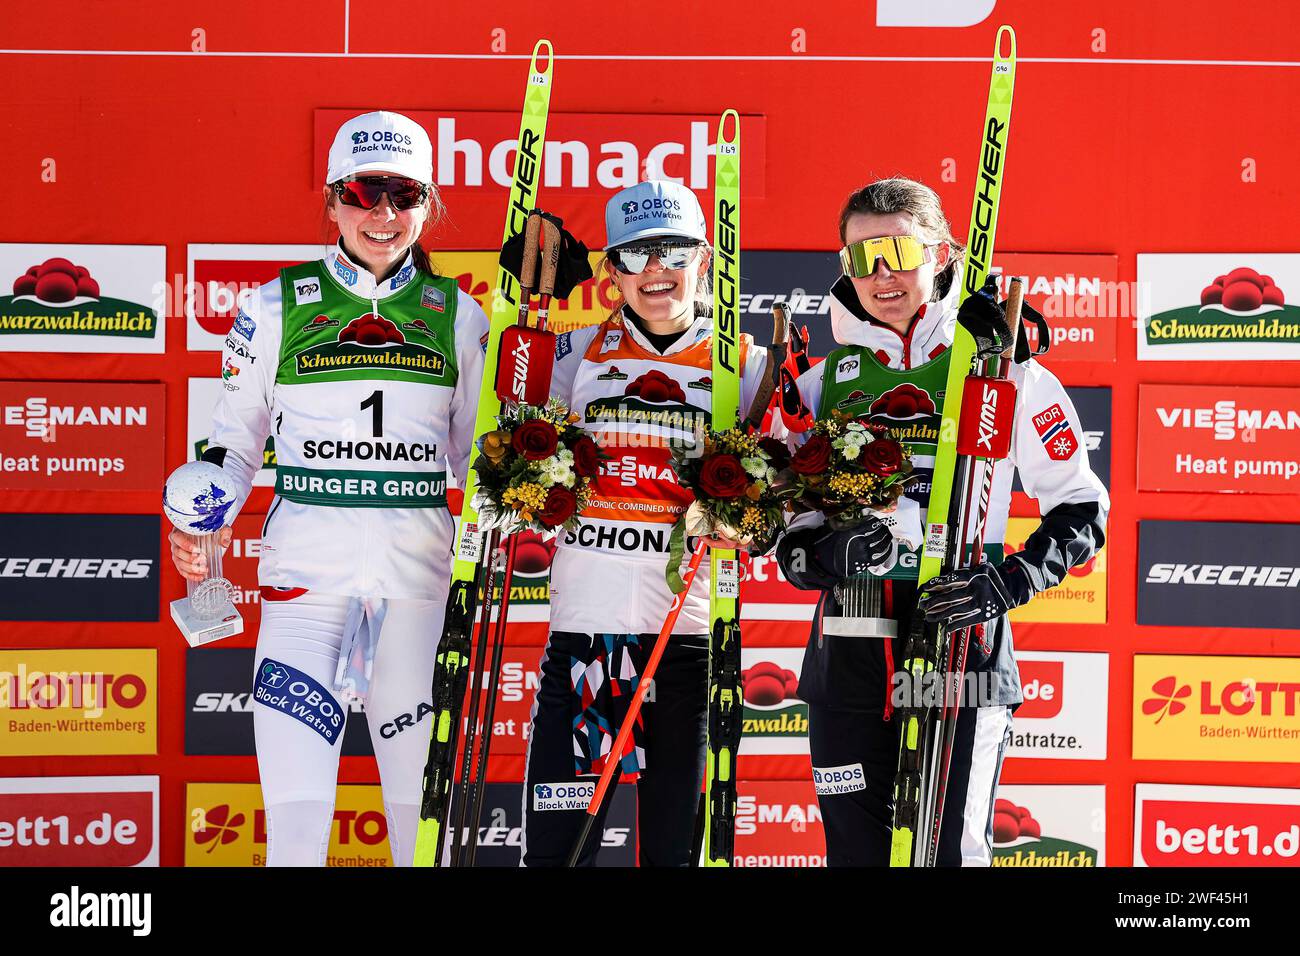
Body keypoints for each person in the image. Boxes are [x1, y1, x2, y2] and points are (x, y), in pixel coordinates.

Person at [167, 110, 488, 867]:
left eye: (404, 194)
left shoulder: (462, 316)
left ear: (428, 203)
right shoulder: (274, 308)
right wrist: (203, 520)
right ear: (332, 198)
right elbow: (235, 445)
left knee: (423, 840)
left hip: (417, 595)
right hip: (302, 595)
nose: (382, 214)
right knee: (298, 834)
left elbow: (481, 461)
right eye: (362, 191)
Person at [774, 177, 1109, 866]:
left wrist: (1008, 582)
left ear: (943, 254)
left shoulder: (1003, 373)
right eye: (861, 258)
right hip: (850, 656)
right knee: (858, 858)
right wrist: (828, 554)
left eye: (898, 250)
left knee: (950, 856)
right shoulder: (819, 384)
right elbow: (785, 533)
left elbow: (1082, 506)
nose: (882, 274)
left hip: (960, 648)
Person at [520, 180, 771, 866]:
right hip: (585, 642)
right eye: (633, 255)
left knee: (673, 852)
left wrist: (749, 517)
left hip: (691, 642)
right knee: (558, 854)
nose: (654, 270)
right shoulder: (571, 357)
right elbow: (500, 445)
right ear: (610, 271)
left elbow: (779, 507)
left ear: (705, 257)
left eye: (673, 250)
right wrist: (524, 321)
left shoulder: (746, 366)